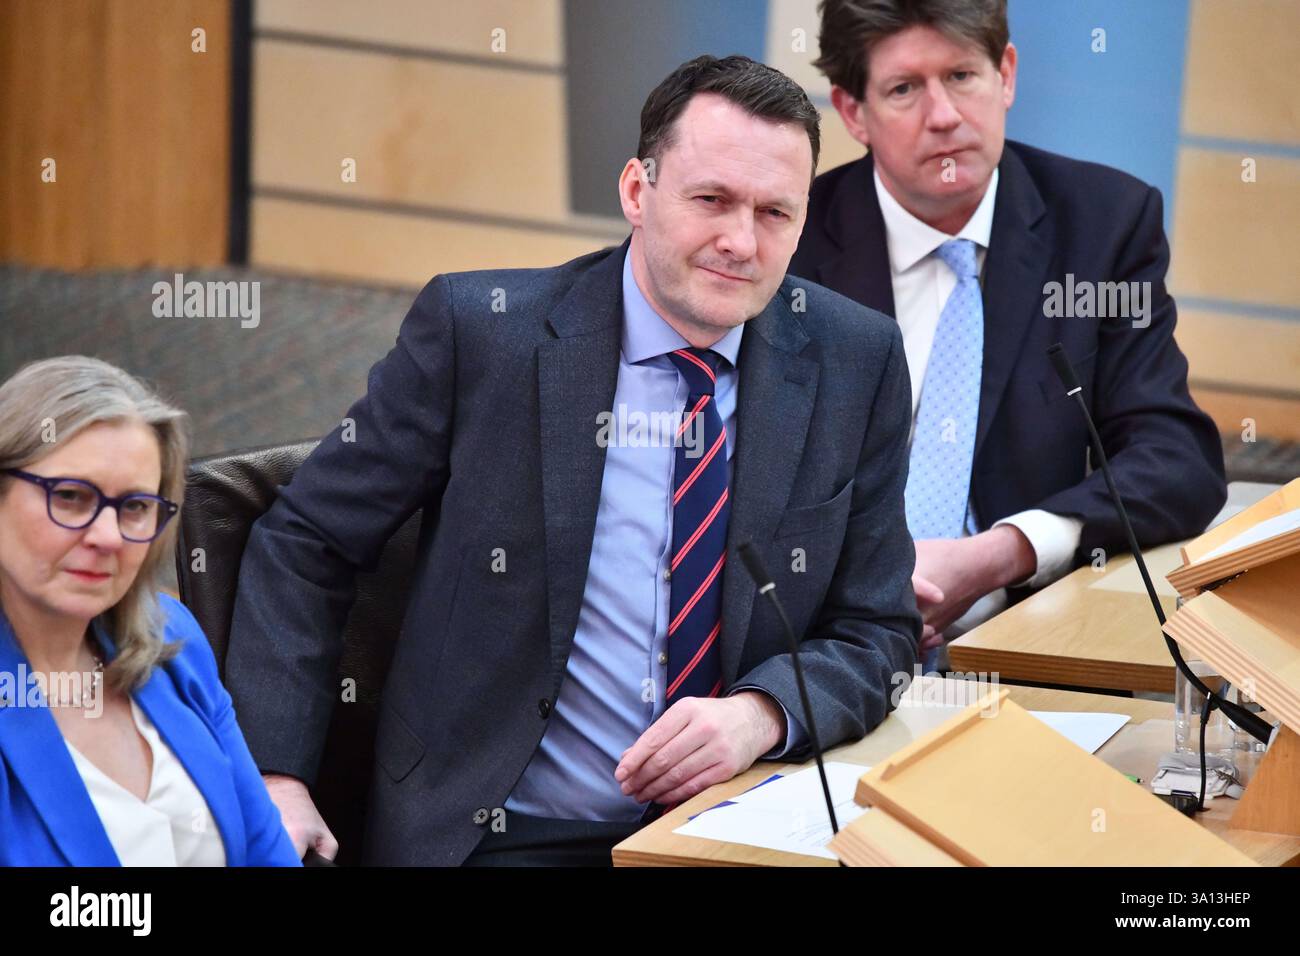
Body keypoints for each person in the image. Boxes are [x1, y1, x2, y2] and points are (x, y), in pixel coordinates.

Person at [224, 54, 920, 866]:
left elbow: (878, 629)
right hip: (506, 832)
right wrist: (274, 773)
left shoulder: (854, 360)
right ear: (636, 191)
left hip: (731, 829)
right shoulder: (481, 333)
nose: (741, 241)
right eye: (711, 200)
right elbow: (307, 539)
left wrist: (763, 713)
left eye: (775, 213)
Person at [789, 0, 1226, 655]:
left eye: (962, 76)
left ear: (1007, 75)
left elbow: (1176, 461)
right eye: (904, 89)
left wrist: (1007, 551)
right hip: (823, 644)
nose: (943, 115)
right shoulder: (788, 243)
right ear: (853, 112)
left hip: (1030, 643)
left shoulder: (1103, 226)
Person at [0, 356, 300, 866]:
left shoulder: (171, 637)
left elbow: (264, 851)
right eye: (71, 497)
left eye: (136, 506)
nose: (108, 536)